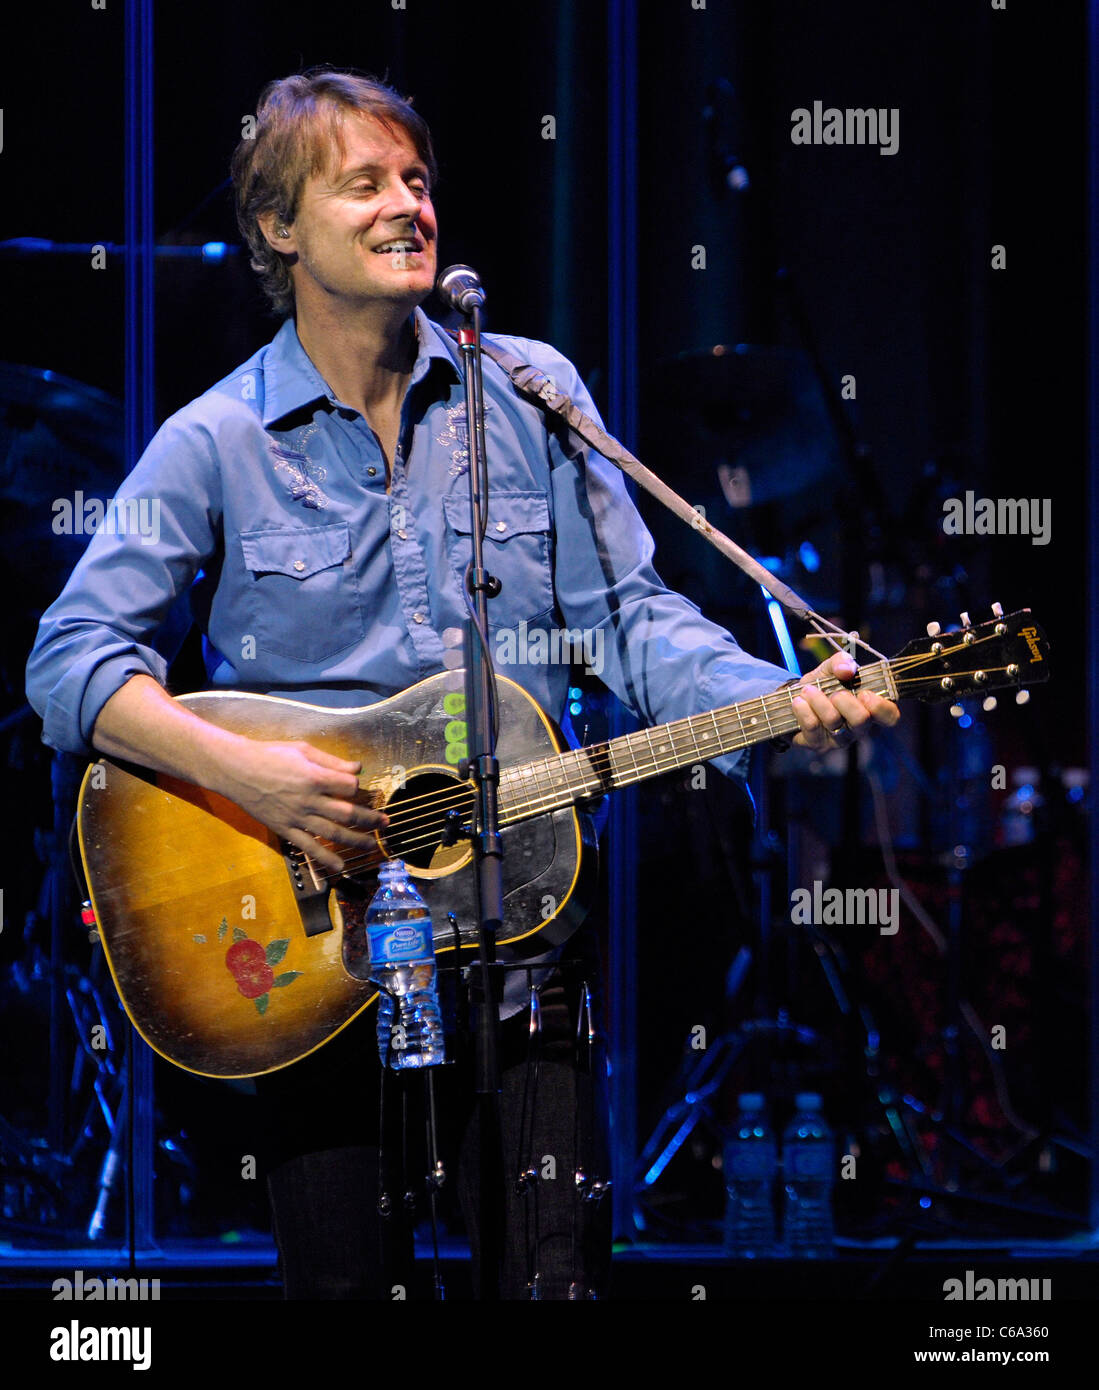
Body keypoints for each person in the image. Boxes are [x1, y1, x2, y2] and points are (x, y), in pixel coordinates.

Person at [25, 67, 899, 1299]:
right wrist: (255, 776)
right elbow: (71, 659)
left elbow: (630, 622)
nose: (407, 207)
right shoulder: (213, 439)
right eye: (363, 183)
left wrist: (776, 697)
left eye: (418, 180)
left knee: (555, 1284)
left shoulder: (533, 394)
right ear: (278, 228)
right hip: (312, 956)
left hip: (520, 926)